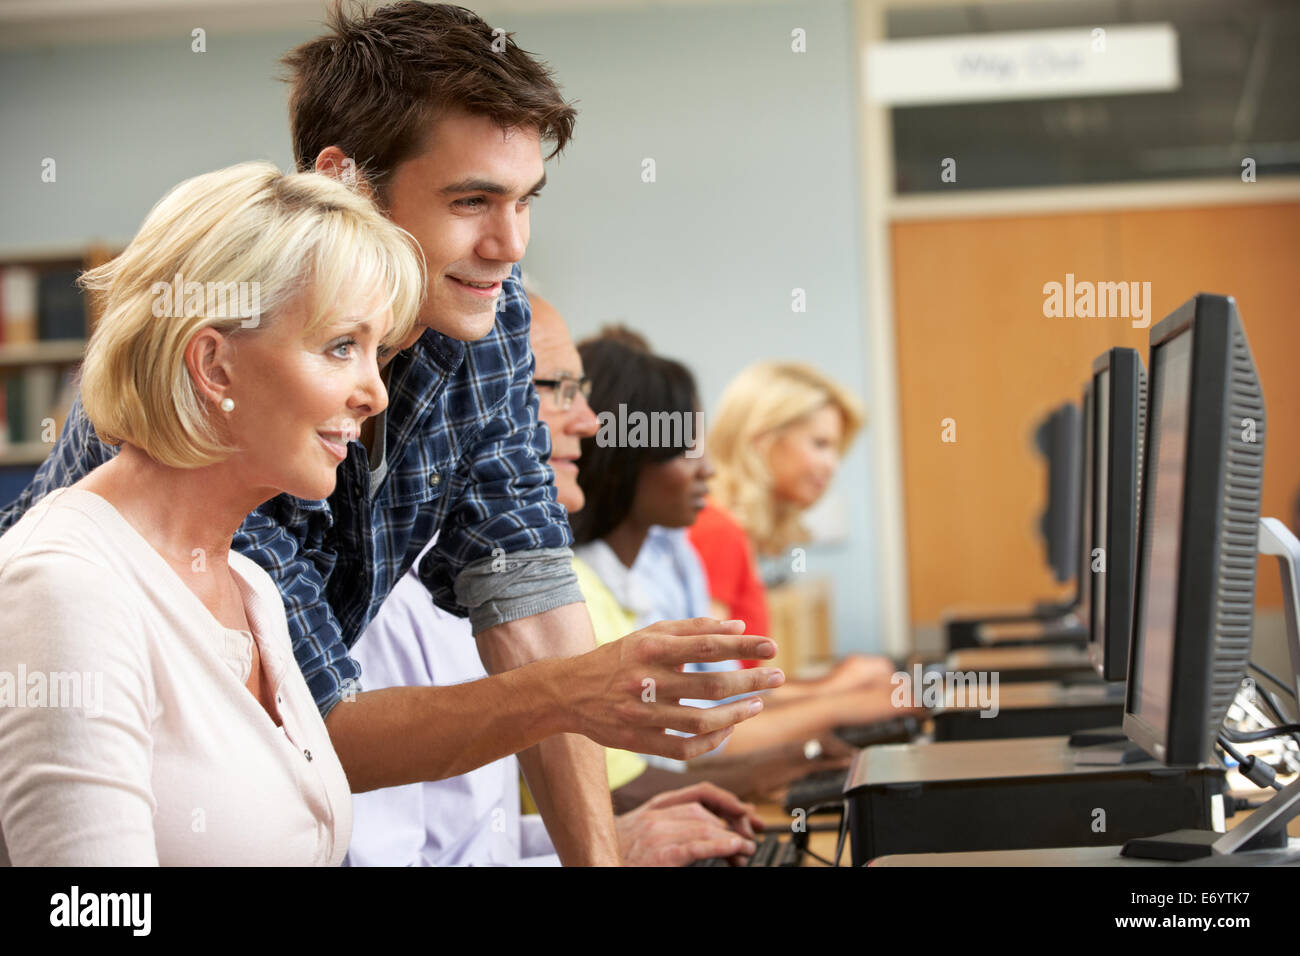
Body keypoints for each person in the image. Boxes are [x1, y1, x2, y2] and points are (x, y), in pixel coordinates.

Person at [0, 2, 776, 865]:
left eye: (525, 201)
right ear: (345, 180)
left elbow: (524, 595)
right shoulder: (89, 568)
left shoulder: (249, 586)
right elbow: (328, 734)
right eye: (472, 199)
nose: (510, 244)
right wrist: (567, 693)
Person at [0, 163, 425, 864]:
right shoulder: (66, 585)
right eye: (342, 346)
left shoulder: (251, 588)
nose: (374, 393)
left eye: (376, 352)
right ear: (214, 366)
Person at [346, 295, 763, 866]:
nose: (590, 423)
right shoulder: (383, 605)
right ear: (466, 404)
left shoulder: (486, 586)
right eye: (553, 388)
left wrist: (622, 837)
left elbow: (476, 843)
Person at [570, 331, 902, 807]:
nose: (708, 469)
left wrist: (807, 739)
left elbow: (709, 705)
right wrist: (840, 706)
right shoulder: (695, 540)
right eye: (820, 444)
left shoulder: (639, 570)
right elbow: (707, 717)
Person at [691, 360, 897, 697]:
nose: (832, 465)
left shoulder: (731, 531)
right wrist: (835, 689)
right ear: (762, 440)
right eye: (820, 444)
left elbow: (737, 691)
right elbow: (708, 695)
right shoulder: (718, 531)